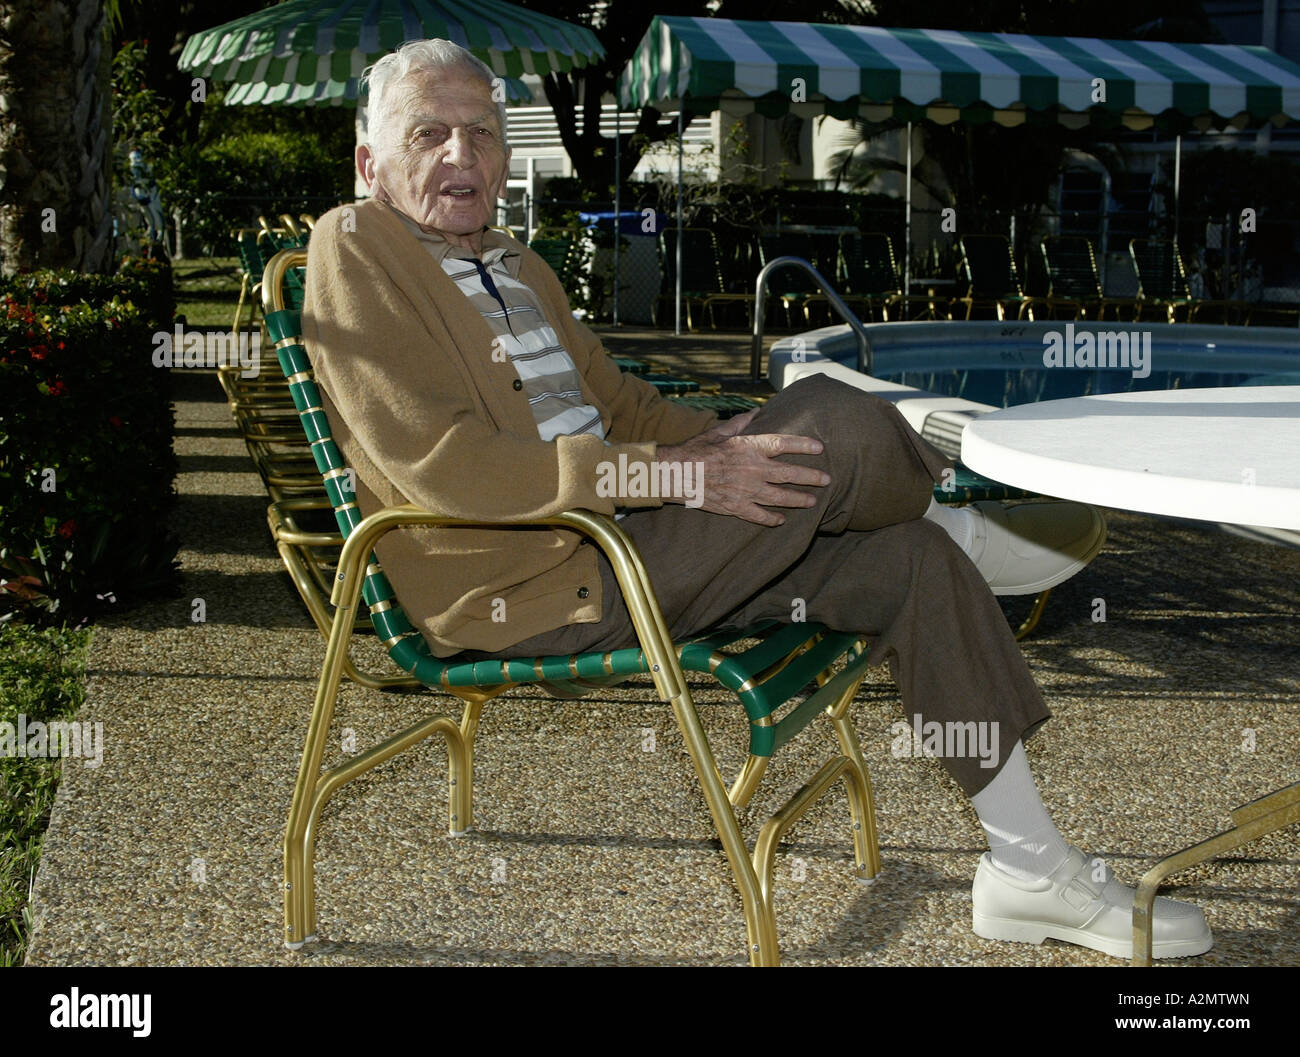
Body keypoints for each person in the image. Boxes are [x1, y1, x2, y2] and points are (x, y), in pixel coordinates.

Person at [301, 38, 1212, 961]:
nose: (462, 154)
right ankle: (969, 526)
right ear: (371, 163)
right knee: (829, 415)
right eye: (430, 134)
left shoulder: (518, 264)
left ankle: (1029, 871)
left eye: (484, 132)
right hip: (540, 577)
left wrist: (721, 441)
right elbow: (450, 467)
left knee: (907, 556)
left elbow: (623, 405)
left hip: (641, 538)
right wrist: (678, 474)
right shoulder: (356, 244)